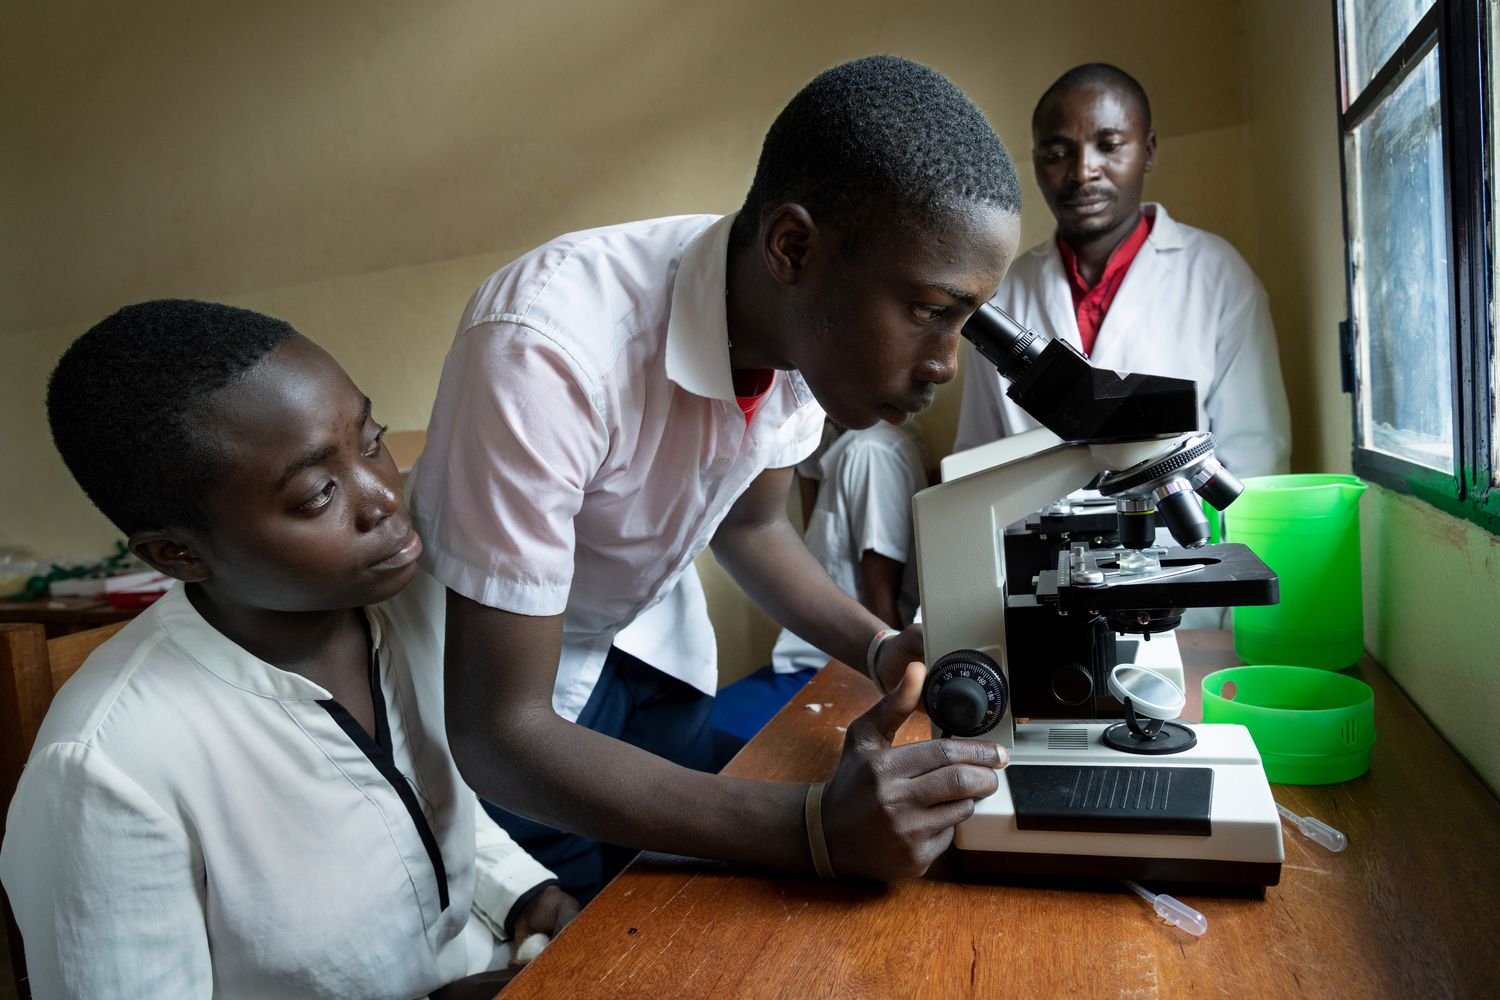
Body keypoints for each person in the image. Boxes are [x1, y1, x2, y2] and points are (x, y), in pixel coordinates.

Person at [409, 55, 1020, 901]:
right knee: (592, 932)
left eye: (965, 322)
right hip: (519, 710)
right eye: (928, 310)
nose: (949, 365)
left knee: (686, 909)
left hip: (652, 654)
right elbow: (499, 733)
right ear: (793, 246)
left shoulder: (800, 326)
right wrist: (811, 829)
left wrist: (879, 649)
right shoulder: (547, 349)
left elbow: (750, 526)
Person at [1, 300, 576, 1000]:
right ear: (177, 553)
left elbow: (407, 811)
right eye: (316, 494)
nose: (382, 498)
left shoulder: (399, 605)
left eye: (371, 440)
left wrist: (524, 894)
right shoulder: (108, 774)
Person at [954, 63, 1291, 480]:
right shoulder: (1003, 293)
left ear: (1148, 151)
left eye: (1109, 145)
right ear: (1036, 160)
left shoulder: (1218, 275)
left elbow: (1255, 456)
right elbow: (977, 459)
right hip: (1037, 539)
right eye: (1057, 154)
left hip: (1184, 537)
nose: (1082, 172)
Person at [710, 421, 929, 763]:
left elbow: (879, 587)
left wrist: (891, 691)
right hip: (825, 655)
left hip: (831, 666)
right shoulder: (840, 443)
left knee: (700, 736)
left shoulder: (870, 452)